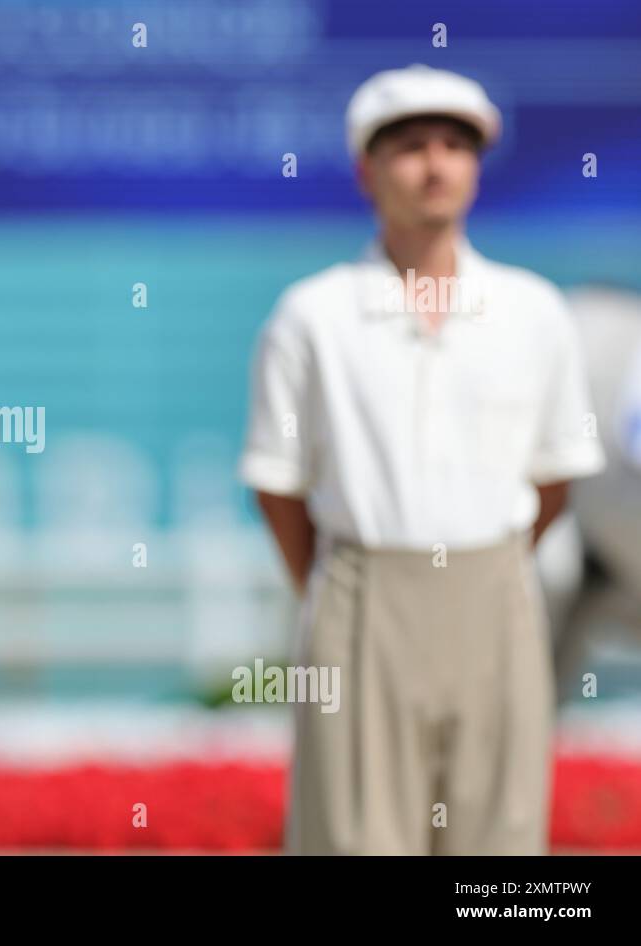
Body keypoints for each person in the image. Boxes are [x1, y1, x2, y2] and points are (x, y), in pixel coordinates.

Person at [238, 64, 606, 854]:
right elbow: (279, 485)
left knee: (499, 844)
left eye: (455, 145)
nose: (436, 165)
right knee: (354, 833)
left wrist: (482, 572)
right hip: (362, 594)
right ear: (368, 170)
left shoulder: (532, 310)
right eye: (410, 146)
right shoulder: (314, 315)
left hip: (497, 595)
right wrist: (347, 591)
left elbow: (555, 477)